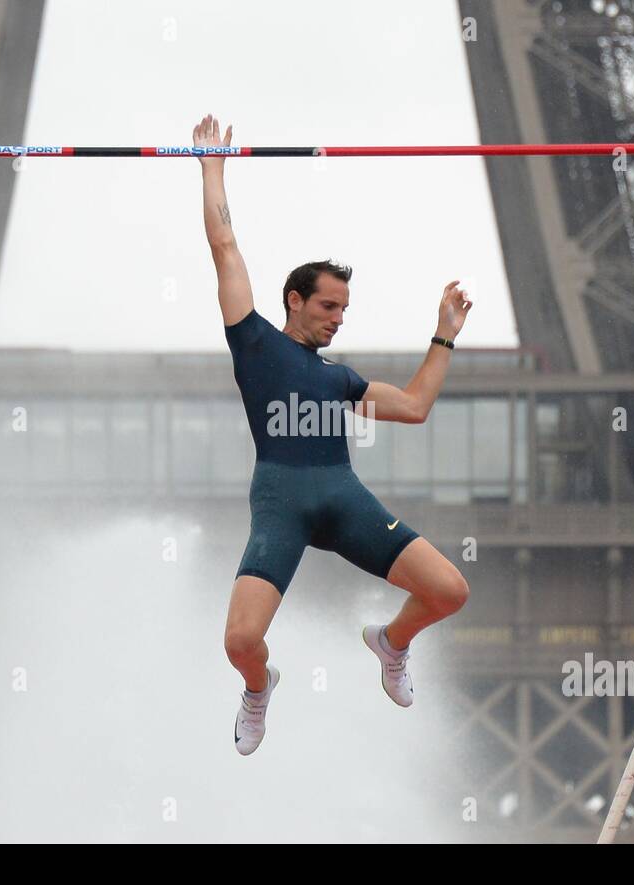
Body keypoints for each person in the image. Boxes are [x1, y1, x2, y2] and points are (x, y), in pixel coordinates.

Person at [193, 114, 472, 755]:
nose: (338, 319)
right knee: (240, 642)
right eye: (328, 306)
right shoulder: (255, 342)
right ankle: (258, 689)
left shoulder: (339, 378)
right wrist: (213, 166)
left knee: (449, 590)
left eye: (345, 309)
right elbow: (225, 249)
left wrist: (444, 333)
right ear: (294, 299)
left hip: (342, 499)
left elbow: (414, 406)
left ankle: (391, 642)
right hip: (281, 503)